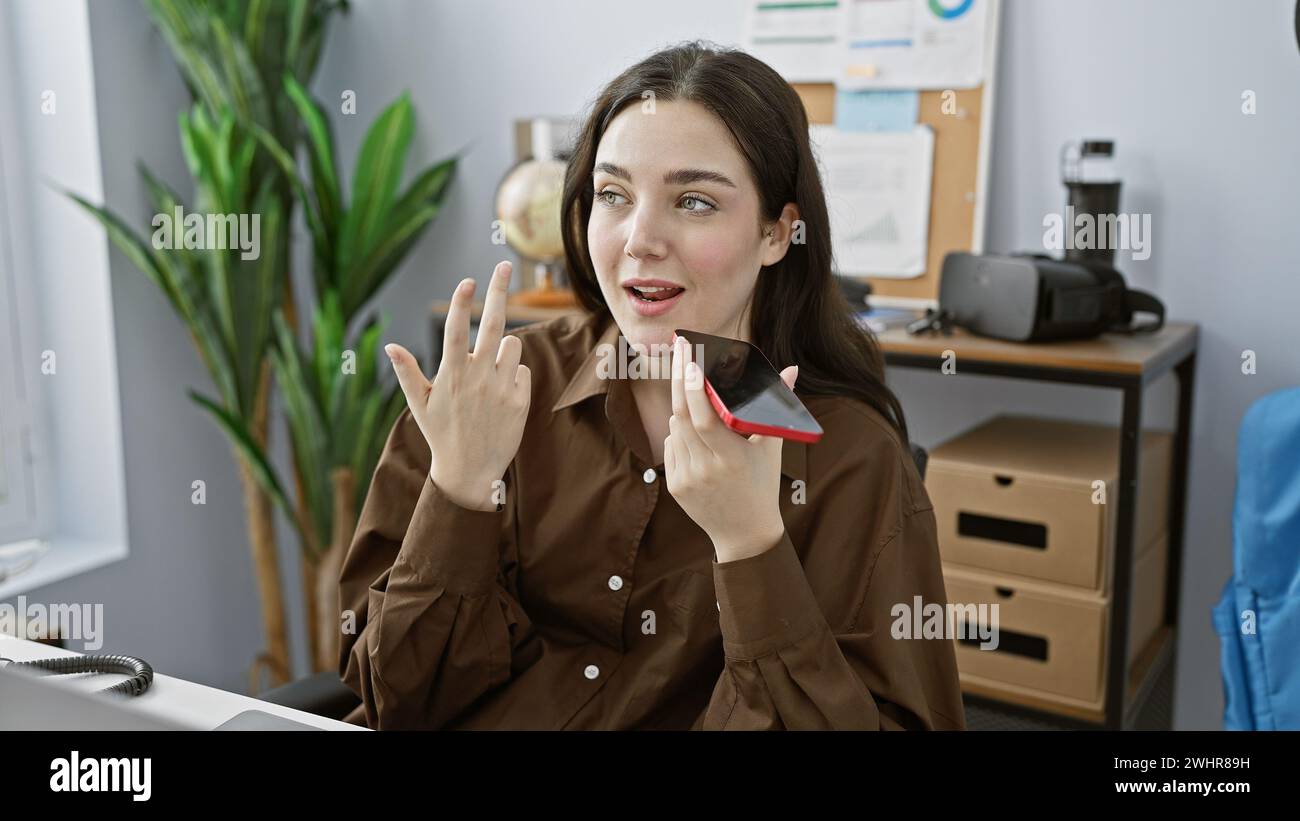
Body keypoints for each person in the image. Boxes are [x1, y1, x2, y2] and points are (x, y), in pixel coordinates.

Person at [337, 41, 965, 730]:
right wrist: (458, 490)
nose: (640, 239)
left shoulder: (852, 462)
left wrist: (753, 544)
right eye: (613, 195)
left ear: (778, 233)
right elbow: (394, 697)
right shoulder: (493, 390)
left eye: (693, 201)